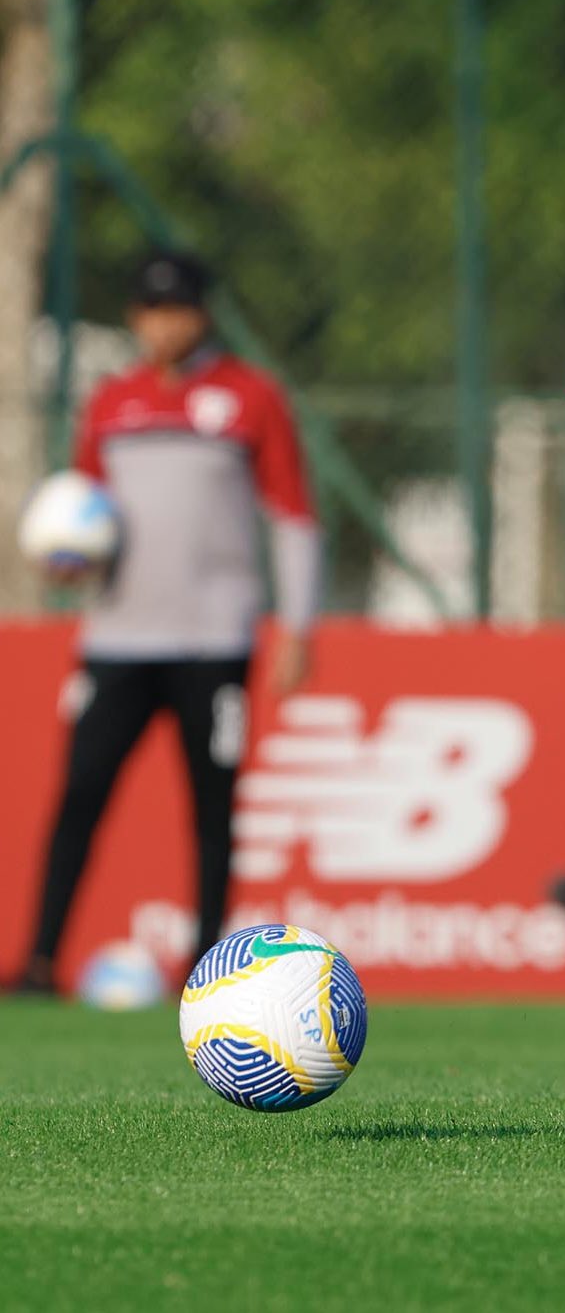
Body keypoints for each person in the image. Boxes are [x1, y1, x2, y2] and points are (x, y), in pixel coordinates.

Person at [16, 251, 319, 995]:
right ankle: (41, 961)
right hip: (117, 638)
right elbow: (85, 510)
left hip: (214, 639)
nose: (165, 324)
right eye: (152, 311)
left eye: (178, 308)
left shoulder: (251, 396)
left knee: (212, 808)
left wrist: (298, 625)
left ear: (202, 314)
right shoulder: (111, 401)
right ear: (134, 318)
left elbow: (291, 514)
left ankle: (206, 969)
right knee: (80, 794)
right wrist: (66, 563)